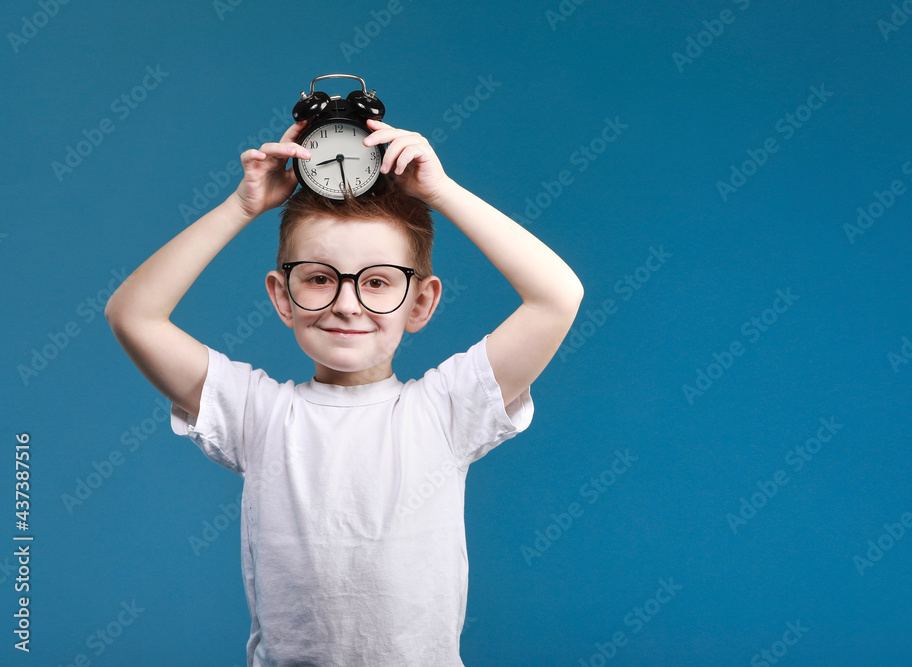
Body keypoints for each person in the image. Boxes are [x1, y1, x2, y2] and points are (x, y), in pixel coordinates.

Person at [104, 116, 584, 665]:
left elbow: (557, 296)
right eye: (319, 277)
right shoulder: (257, 414)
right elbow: (133, 315)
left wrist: (440, 192)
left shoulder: (447, 409)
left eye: (377, 281)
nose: (347, 304)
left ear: (421, 303)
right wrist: (240, 207)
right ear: (282, 296)